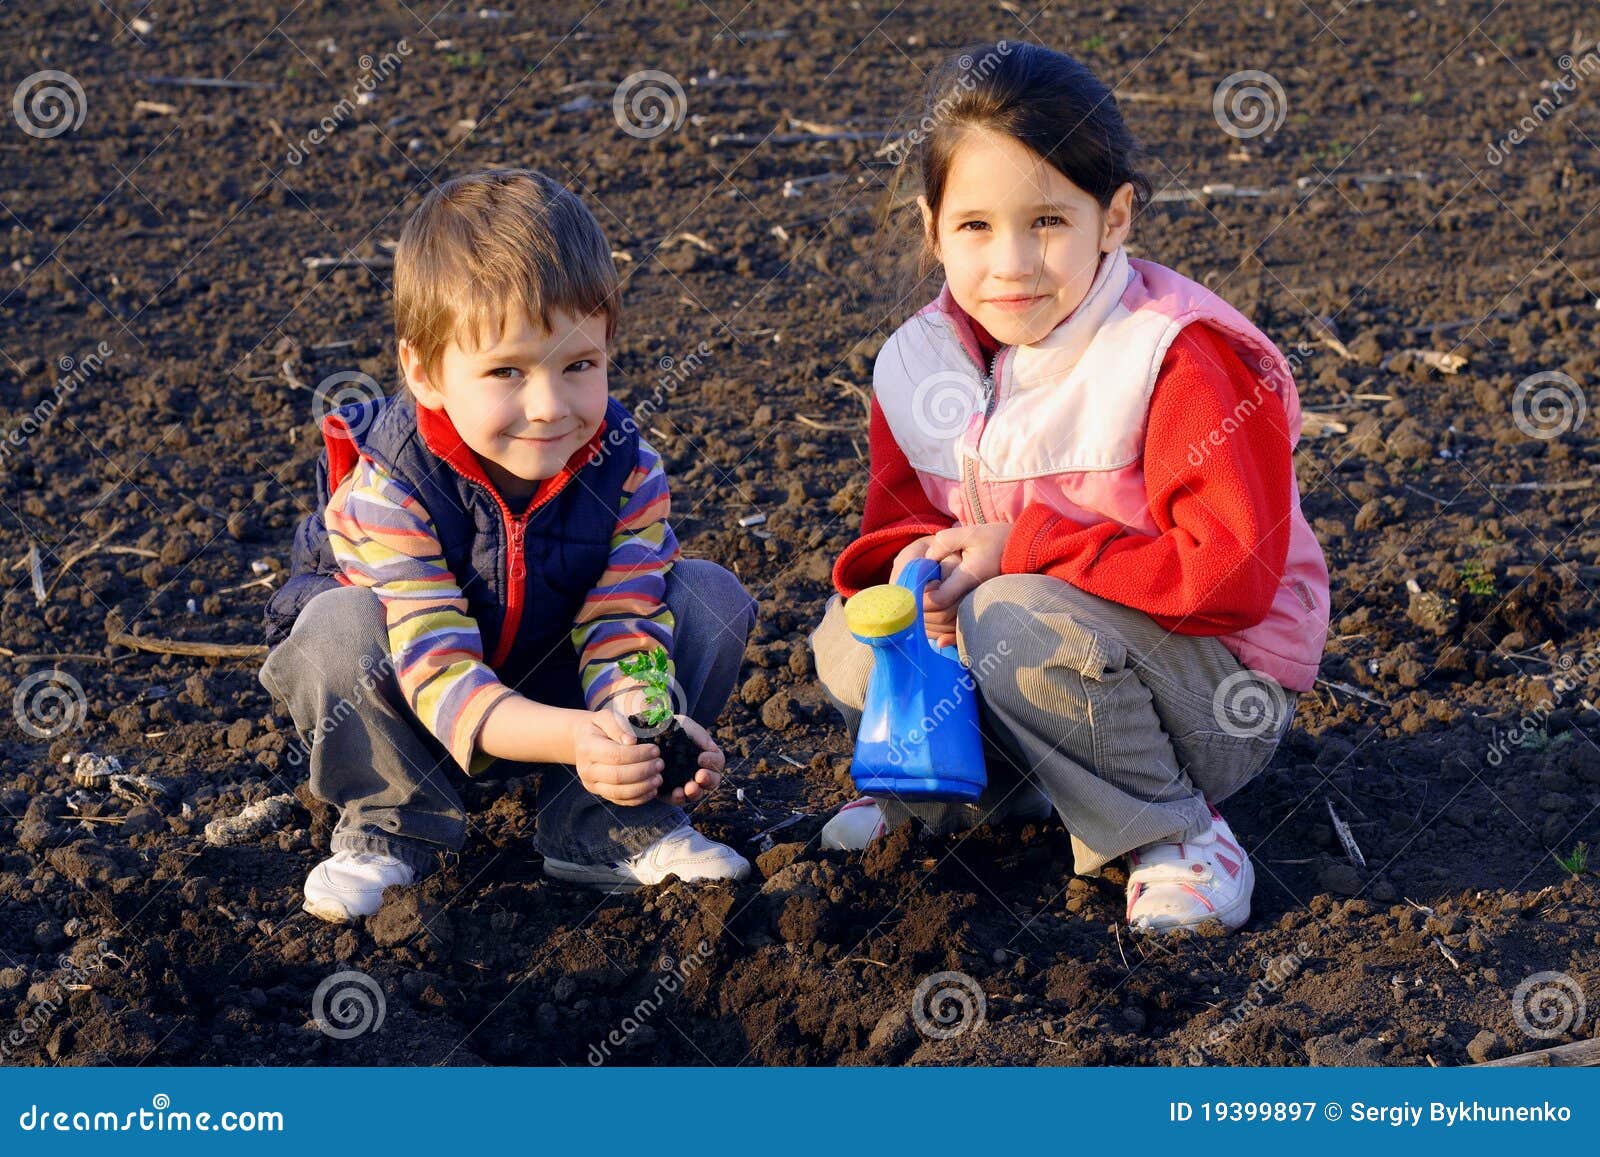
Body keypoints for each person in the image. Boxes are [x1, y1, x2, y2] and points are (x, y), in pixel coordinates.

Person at [811, 43, 1329, 934]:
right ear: (932, 226)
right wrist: (913, 577)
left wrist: (1021, 549)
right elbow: (898, 522)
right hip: (1050, 659)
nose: (1010, 263)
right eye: (975, 226)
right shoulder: (915, 363)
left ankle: (1179, 834)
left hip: (1210, 697)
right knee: (850, 639)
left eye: (1047, 221)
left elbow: (1230, 579)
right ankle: (980, 797)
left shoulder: (1172, 356)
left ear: (1114, 216)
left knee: (1013, 619)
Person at [259, 169, 755, 923]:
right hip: (410, 703)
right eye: (506, 372)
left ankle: (603, 827)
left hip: (552, 677)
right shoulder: (389, 488)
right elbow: (436, 666)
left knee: (708, 597)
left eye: (579, 365)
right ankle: (391, 830)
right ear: (425, 372)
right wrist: (573, 734)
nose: (550, 406)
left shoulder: (627, 470)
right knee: (336, 628)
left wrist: (647, 725)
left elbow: (625, 623)